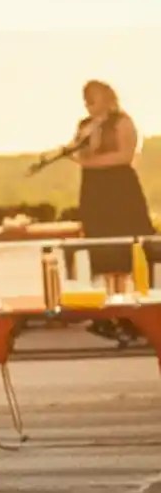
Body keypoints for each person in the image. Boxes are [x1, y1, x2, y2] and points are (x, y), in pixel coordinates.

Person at [70, 80, 156, 342]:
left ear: (107, 97)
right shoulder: (85, 126)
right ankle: (111, 310)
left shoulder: (123, 122)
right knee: (103, 249)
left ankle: (134, 311)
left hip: (120, 189)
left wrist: (92, 162)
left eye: (93, 97)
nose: (89, 103)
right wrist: (90, 139)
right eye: (86, 99)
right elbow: (77, 154)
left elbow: (125, 155)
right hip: (95, 192)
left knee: (127, 247)